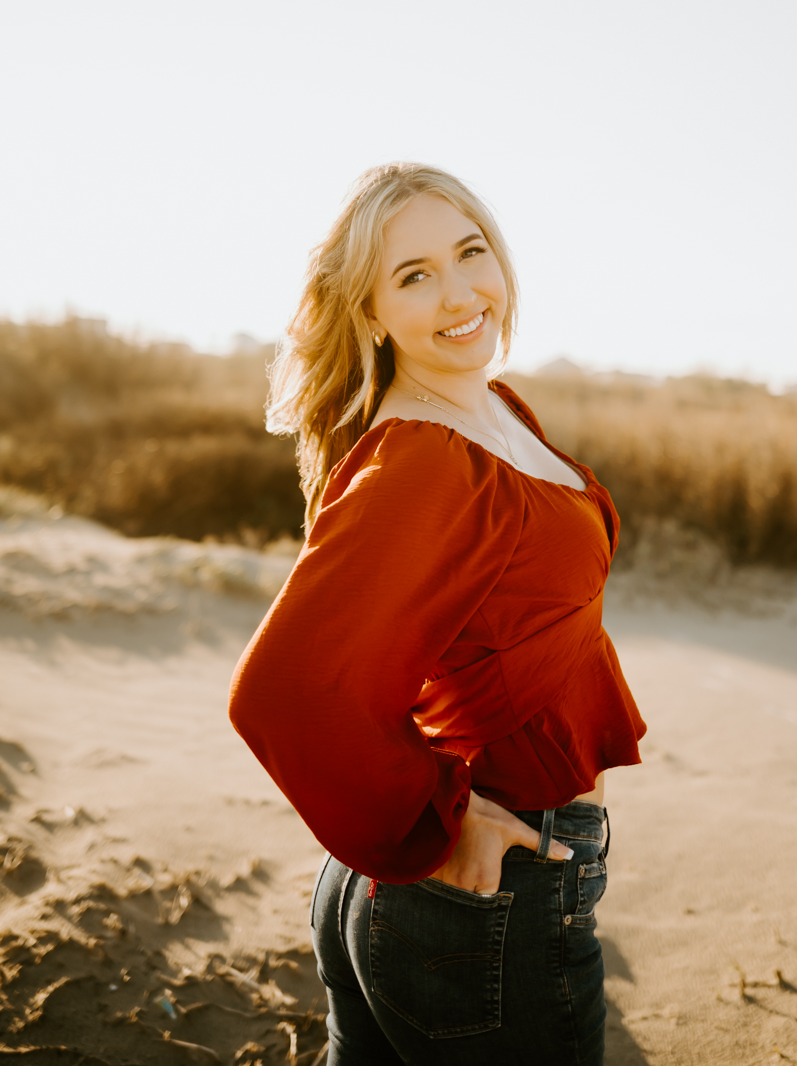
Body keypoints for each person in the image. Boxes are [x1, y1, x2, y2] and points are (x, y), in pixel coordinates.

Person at [229, 162, 645, 1065]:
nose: (461, 293)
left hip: (423, 898)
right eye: (413, 276)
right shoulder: (421, 458)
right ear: (371, 312)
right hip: (478, 900)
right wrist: (443, 819)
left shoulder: (493, 407)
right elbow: (284, 694)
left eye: (471, 252)